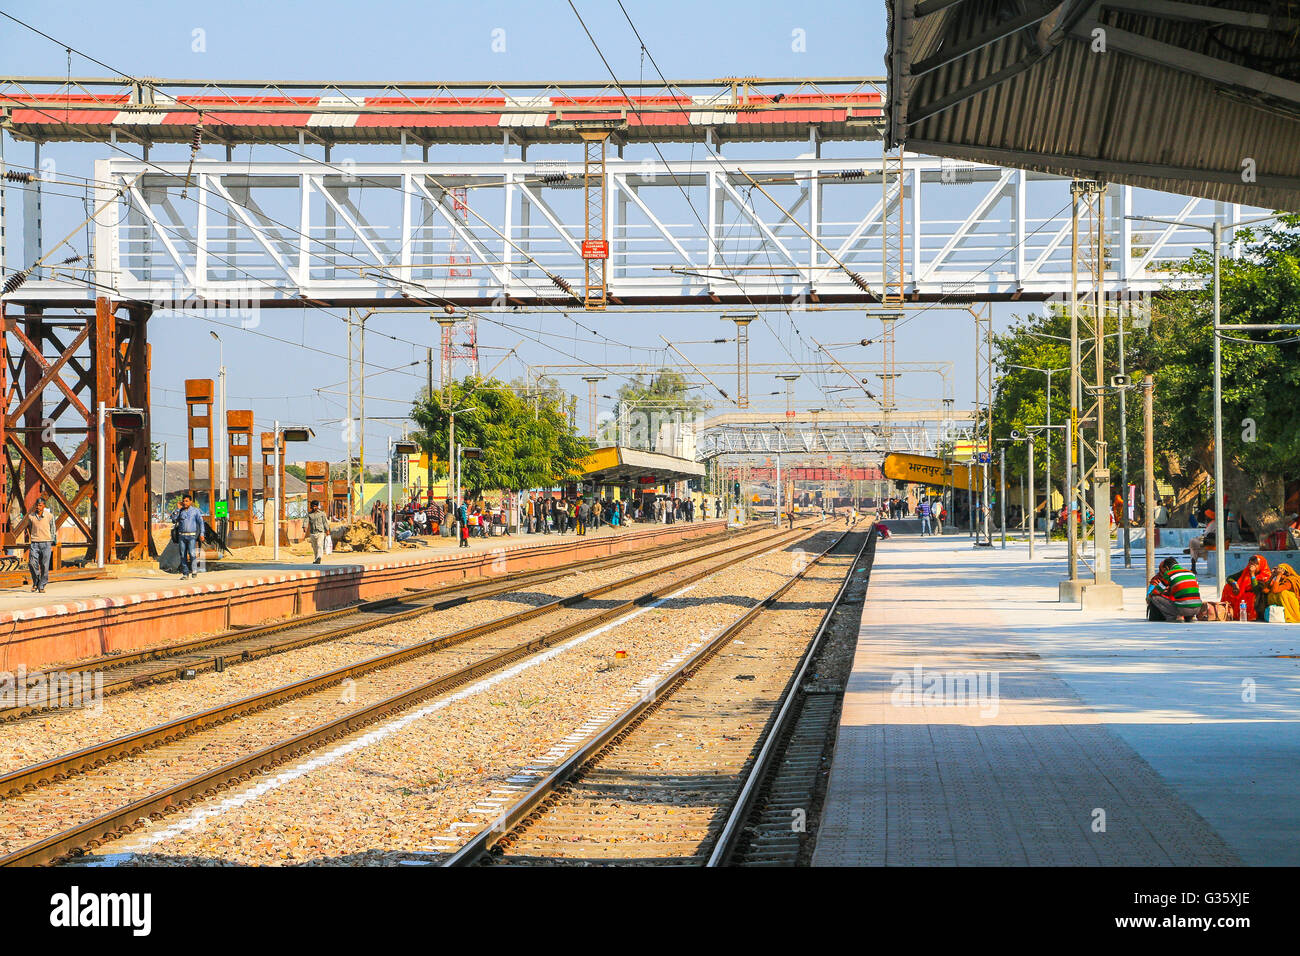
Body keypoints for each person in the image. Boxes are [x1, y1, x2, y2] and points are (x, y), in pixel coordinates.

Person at [1147, 557, 1202, 621]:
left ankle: (1176, 616)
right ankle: (1191, 616)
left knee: (1154, 597)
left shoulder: (1169, 574)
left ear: (1167, 568)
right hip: (1197, 609)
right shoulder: (1191, 573)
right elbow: (1196, 588)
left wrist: (1150, 597)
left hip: (1182, 609)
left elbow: (1156, 591)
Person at [1222, 553, 1271, 621]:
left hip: (1258, 598)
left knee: (1250, 596)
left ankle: (1251, 616)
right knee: (1228, 587)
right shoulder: (1245, 571)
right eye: (1250, 564)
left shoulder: (1266, 576)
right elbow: (1230, 578)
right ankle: (1227, 612)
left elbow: (1256, 590)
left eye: (1255, 564)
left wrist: (1252, 575)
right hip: (1242, 594)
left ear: (1261, 565)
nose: (1251, 566)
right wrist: (1234, 584)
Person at [174, 493, 206, 579]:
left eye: (187, 501)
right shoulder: (180, 511)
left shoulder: (195, 511)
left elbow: (201, 522)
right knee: (182, 554)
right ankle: (185, 573)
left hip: (192, 536)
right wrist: (177, 509)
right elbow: (174, 519)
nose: (185, 503)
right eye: (184, 501)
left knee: (192, 554)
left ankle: (194, 570)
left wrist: (202, 534)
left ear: (191, 502)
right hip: (182, 536)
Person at [27, 497, 55, 593]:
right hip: (34, 543)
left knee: (44, 565)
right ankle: (36, 581)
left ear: (44, 506)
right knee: (31, 563)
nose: (38, 507)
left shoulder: (49, 516)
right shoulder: (31, 517)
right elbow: (30, 528)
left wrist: (51, 540)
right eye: (37, 505)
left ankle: (42, 585)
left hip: (46, 543)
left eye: (40, 505)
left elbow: (53, 529)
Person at [305, 499, 330, 564]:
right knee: (314, 546)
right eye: (313, 506)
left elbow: (325, 522)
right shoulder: (309, 514)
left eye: (315, 506)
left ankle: (319, 557)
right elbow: (306, 521)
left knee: (319, 545)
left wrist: (327, 530)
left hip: (320, 532)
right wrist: (304, 527)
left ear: (318, 506)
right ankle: (316, 558)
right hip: (313, 533)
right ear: (311, 506)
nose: (314, 507)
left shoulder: (322, 514)